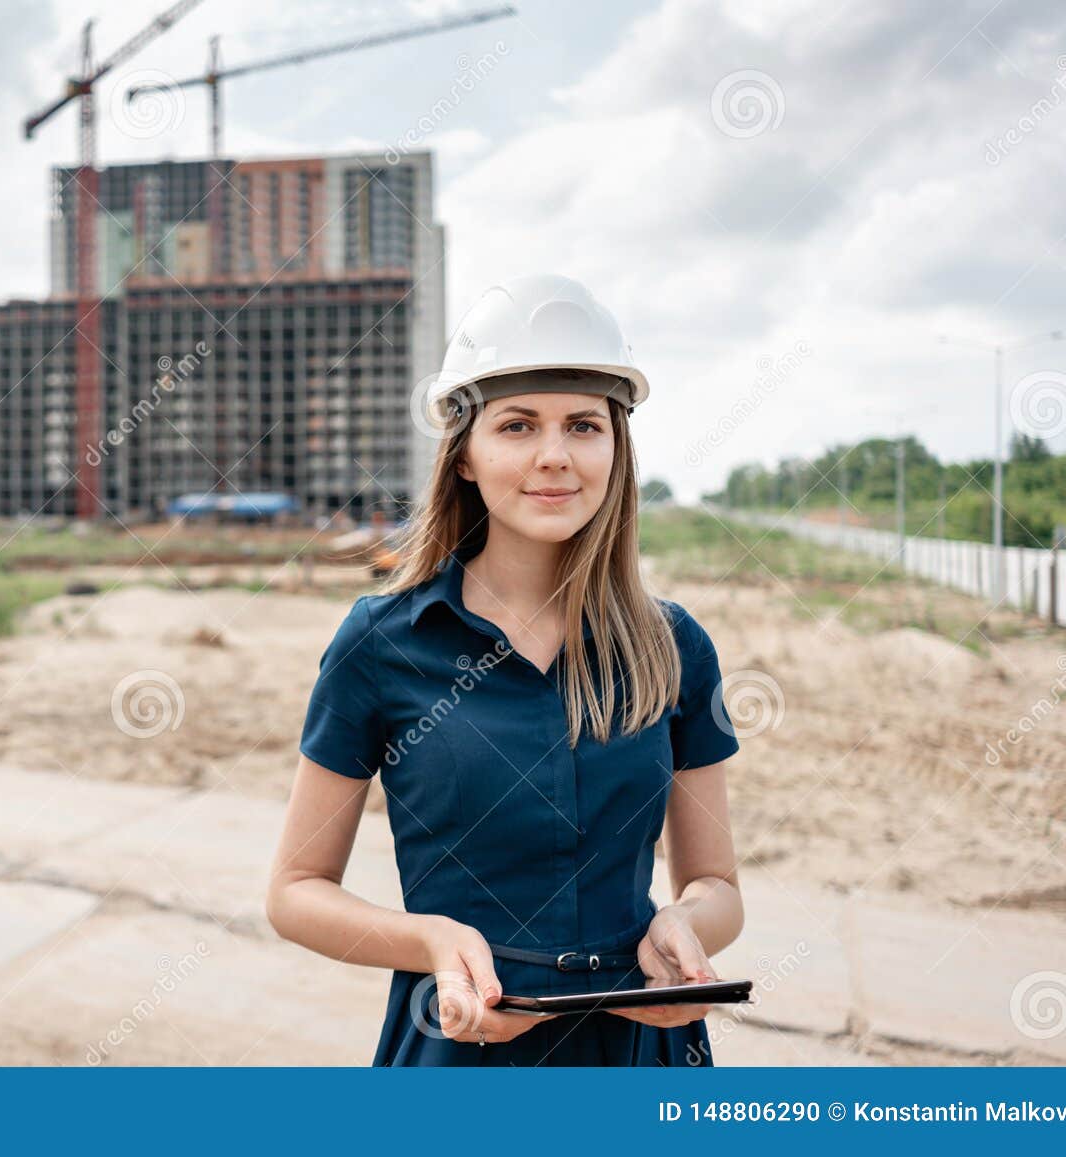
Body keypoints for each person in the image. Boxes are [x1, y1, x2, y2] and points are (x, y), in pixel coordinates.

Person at [265, 274, 745, 1066]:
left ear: (616, 448)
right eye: (518, 425)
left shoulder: (675, 647)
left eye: (584, 425)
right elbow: (294, 892)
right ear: (465, 455)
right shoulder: (379, 644)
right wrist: (431, 940)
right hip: (457, 1053)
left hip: (640, 1054)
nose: (554, 456)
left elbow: (718, 886)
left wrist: (685, 923)